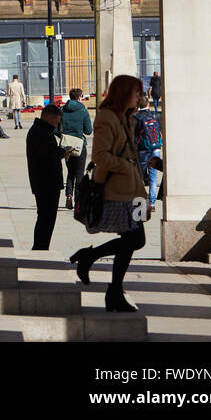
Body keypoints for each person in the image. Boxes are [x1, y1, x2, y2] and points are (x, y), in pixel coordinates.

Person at [68, 74, 149, 312]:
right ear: (124, 94)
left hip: (134, 191)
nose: (140, 97)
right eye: (136, 93)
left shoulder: (129, 120)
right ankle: (113, 292)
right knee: (132, 239)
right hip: (118, 191)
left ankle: (90, 259)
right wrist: (126, 166)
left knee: (137, 239)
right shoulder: (107, 118)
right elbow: (100, 157)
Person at [26, 105, 64, 249]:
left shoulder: (41, 131)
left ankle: (41, 246)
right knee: (46, 218)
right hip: (46, 182)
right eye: (56, 121)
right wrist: (61, 153)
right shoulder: (40, 132)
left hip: (45, 182)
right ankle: (40, 248)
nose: (56, 124)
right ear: (49, 117)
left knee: (46, 218)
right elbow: (46, 156)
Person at [60, 88, 93, 209]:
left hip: (66, 145)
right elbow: (88, 130)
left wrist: (64, 136)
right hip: (79, 145)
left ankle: (69, 195)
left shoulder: (62, 110)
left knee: (70, 172)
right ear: (80, 98)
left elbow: (56, 129)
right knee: (79, 174)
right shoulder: (83, 111)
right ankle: (78, 200)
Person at [134, 94, 164, 209]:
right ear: (148, 104)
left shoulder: (136, 118)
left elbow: (134, 137)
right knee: (153, 176)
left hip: (142, 150)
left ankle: (140, 201)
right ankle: (152, 202)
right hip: (155, 149)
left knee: (139, 176)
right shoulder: (154, 116)